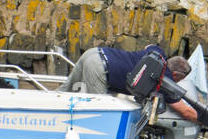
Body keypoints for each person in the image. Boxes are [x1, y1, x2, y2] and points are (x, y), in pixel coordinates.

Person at [65, 44, 198, 121]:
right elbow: (185, 111)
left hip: (94, 52)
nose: (178, 83)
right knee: (100, 114)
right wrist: (203, 122)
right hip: (99, 69)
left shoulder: (158, 52)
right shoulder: (164, 78)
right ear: (176, 74)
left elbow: (148, 46)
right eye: (180, 79)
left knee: (62, 92)